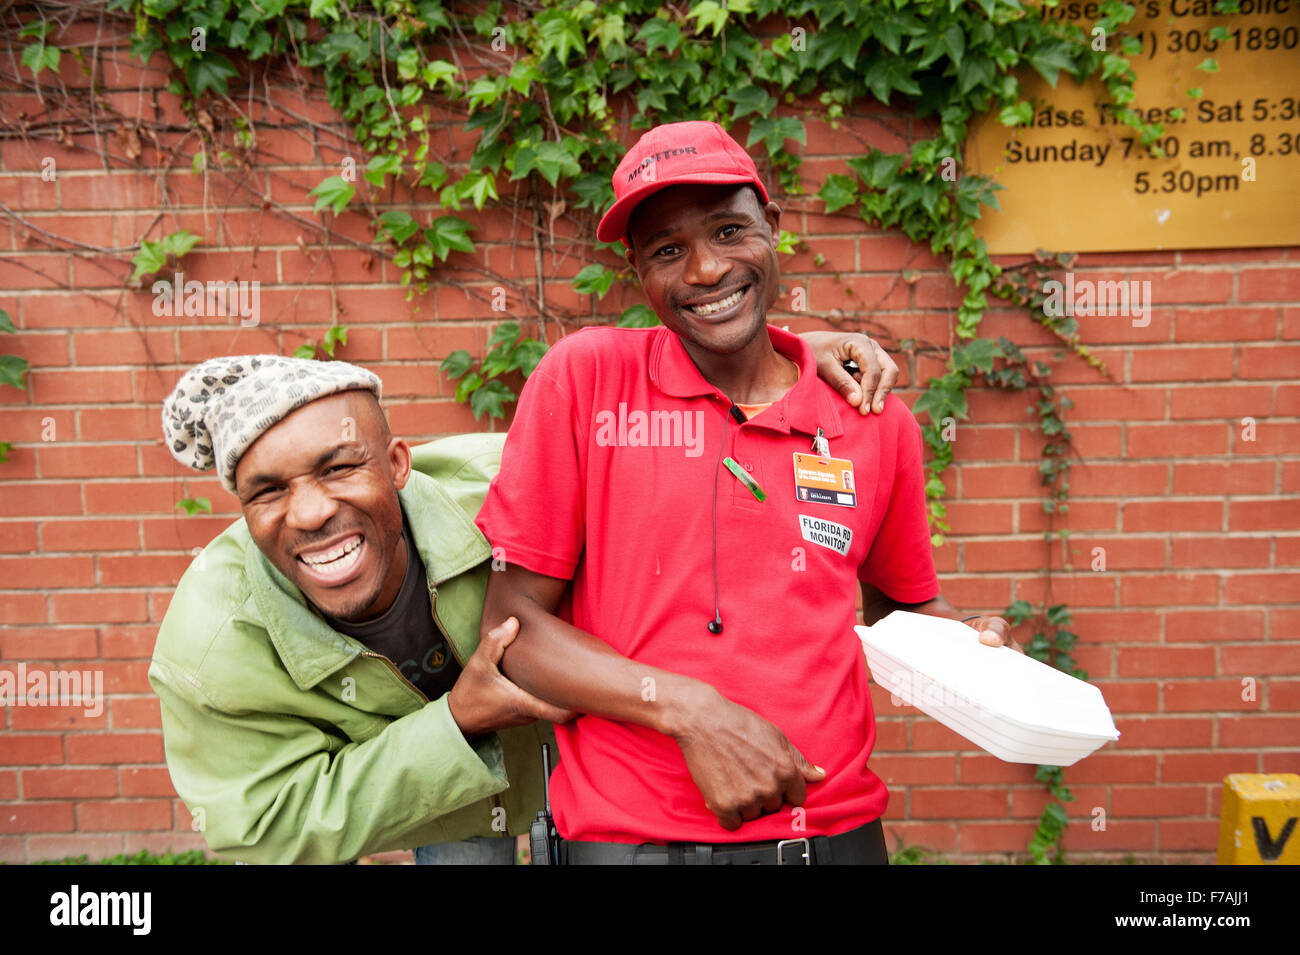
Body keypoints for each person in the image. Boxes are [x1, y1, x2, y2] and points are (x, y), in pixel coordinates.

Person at [475, 120, 1023, 865]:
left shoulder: (872, 421)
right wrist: (691, 712)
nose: (705, 269)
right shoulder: (586, 382)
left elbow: (900, 609)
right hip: (631, 844)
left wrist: (971, 646)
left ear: (774, 226)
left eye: (730, 230)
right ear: (636, 268)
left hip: (832, 838)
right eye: (668, 249)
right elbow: (512, 631)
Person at [151, 337, 899, 863]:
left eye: (340, 468)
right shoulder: (210, 640)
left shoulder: (501, 485)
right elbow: (261, 825)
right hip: (406, 788)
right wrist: (457, 718)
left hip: (554, 775)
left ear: (398, 462)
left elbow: (682, 414)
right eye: (268, 491)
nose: (311, 512)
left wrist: (785, 350)